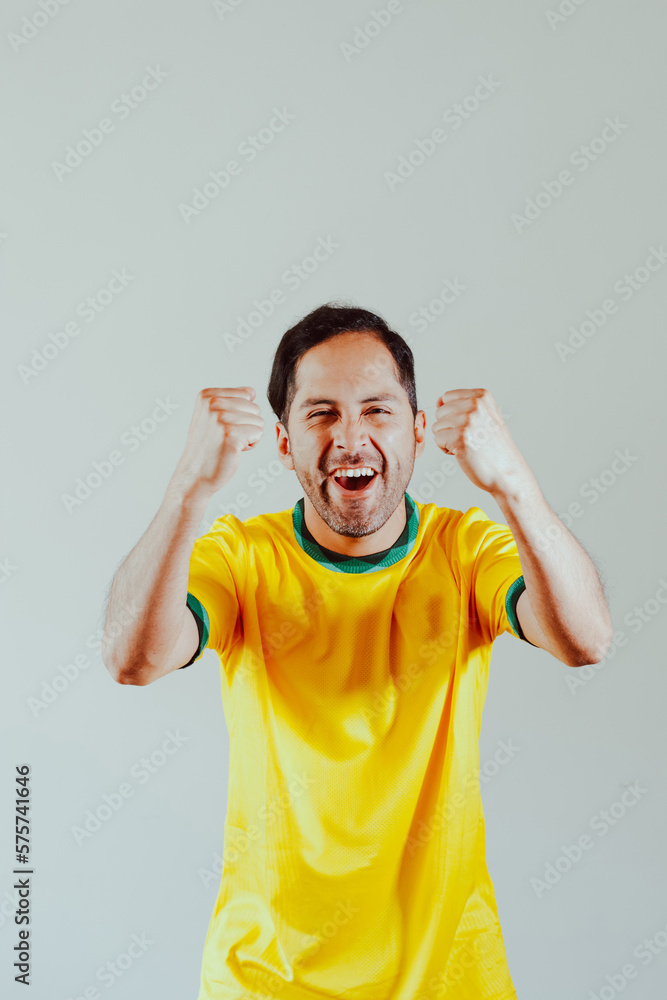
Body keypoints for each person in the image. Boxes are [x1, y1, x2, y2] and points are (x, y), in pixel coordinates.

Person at [102, 303, 613, 1000]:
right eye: (320, 415)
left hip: (449, 981)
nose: (350, 438)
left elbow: (586, 640)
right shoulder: (242, 556)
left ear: (417, 431)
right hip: (265, 983)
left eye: (376, 411)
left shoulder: (463, 550)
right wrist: (186, 492)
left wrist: (513, 484)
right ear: (283, 443)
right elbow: (131, 658)